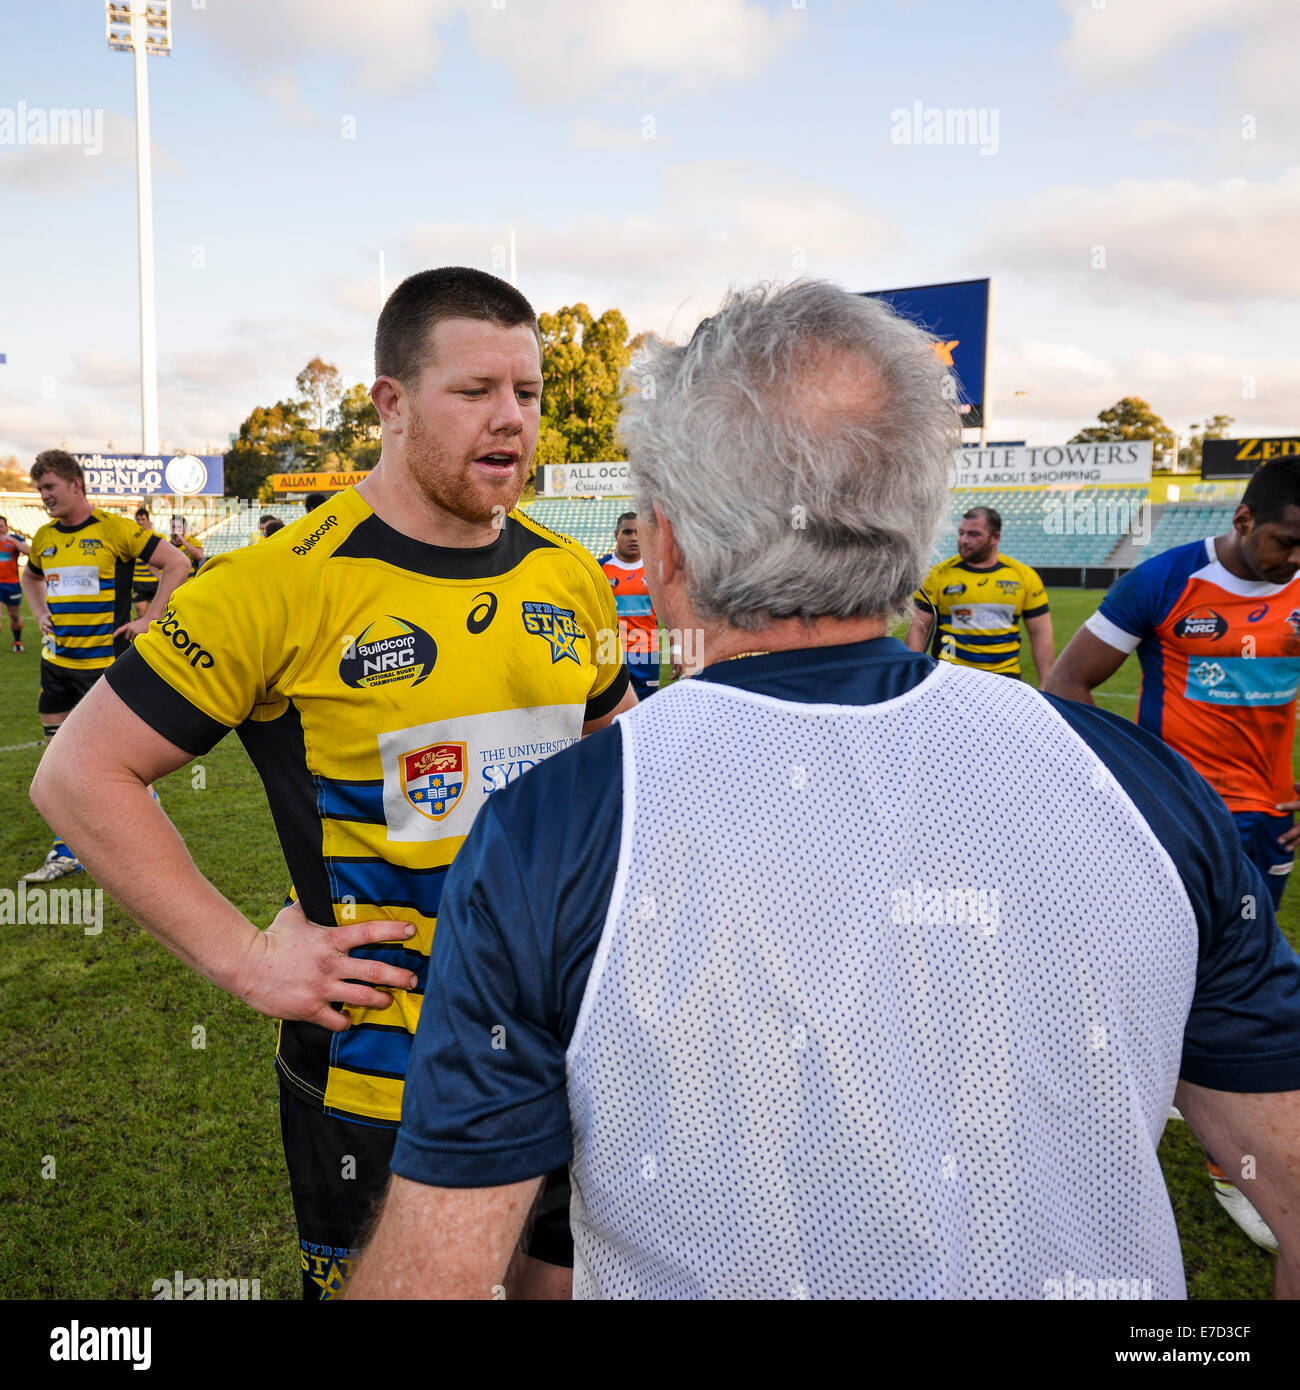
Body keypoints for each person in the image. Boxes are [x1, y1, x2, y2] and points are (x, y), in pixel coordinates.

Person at [344, 280, 1300, 1301]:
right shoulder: (1141, 785)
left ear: (663, 541)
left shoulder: (554, 825)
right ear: (918, 522)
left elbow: (435, 1279)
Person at [30, 266, 635, 1299]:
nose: (511, 419)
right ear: (390, 404)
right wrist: (246, 960)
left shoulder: (565, 573)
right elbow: (80, 775)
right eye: (475, 390)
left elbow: (615, 766)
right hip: (382, 1065)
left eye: (527, 394)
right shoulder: (278, 583)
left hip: (563, 1038)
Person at [1046, 456, 1300, 1251]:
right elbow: (1068, 684)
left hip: (1267, 824)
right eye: (1286, 541)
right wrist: (1126, 791)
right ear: (1243, 522)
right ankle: (1118, 1120)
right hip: (1176, 827)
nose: (1295, 559)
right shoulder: (1164, 580)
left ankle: (1235, 1159)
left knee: (1236, 991)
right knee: (1142, 977)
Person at [21, 452, 189, 883]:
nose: (44, 497)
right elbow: (31, 577)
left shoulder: (116, 529)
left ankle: (139, 836)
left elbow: (178, 563)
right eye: (40, 489)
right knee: (59, 763)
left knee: (117, 766)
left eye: (50, 488)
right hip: (56, 663)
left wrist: (150, 618)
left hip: (106, 668)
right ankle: (70, 847)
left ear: (76, 485)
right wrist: (39, 612)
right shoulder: (42, 538)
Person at [904, 507, 1055, 683]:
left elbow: (1041, 634)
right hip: (950, 677)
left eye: (973, 534)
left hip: (1004, 679)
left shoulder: (1023, 576)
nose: (964, 540)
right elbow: (918, 628)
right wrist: (911, 678)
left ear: (995, 538)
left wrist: (1046, 683)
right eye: (961, 533)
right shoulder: (938, 575)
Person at [597, 512, 668, 698]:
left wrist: (676, 650)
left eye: (638, 532)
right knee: (612, 711)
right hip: (610, 653)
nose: (634, 538)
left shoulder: (658, 568)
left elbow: (670, 613)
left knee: (647, 708)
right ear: (616, 535)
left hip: (647, 652)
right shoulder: (599, 568)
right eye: (627, 532)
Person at [0, 515, 31, 651]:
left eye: (0, 526)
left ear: (6, 527)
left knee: (14, 616)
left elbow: (29, 551)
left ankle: (17, 642)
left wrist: (11, 540)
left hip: (12, 584)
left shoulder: (15, 539)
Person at [131, 505, 163, 620]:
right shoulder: (132, 538)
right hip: (139, 581)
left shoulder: (158, 537)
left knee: (157, 615)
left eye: (143, 519)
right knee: (141, 614)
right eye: (138, 520)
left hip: (155, 581)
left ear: (148, 520)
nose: (140, 522)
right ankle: (138, 637)